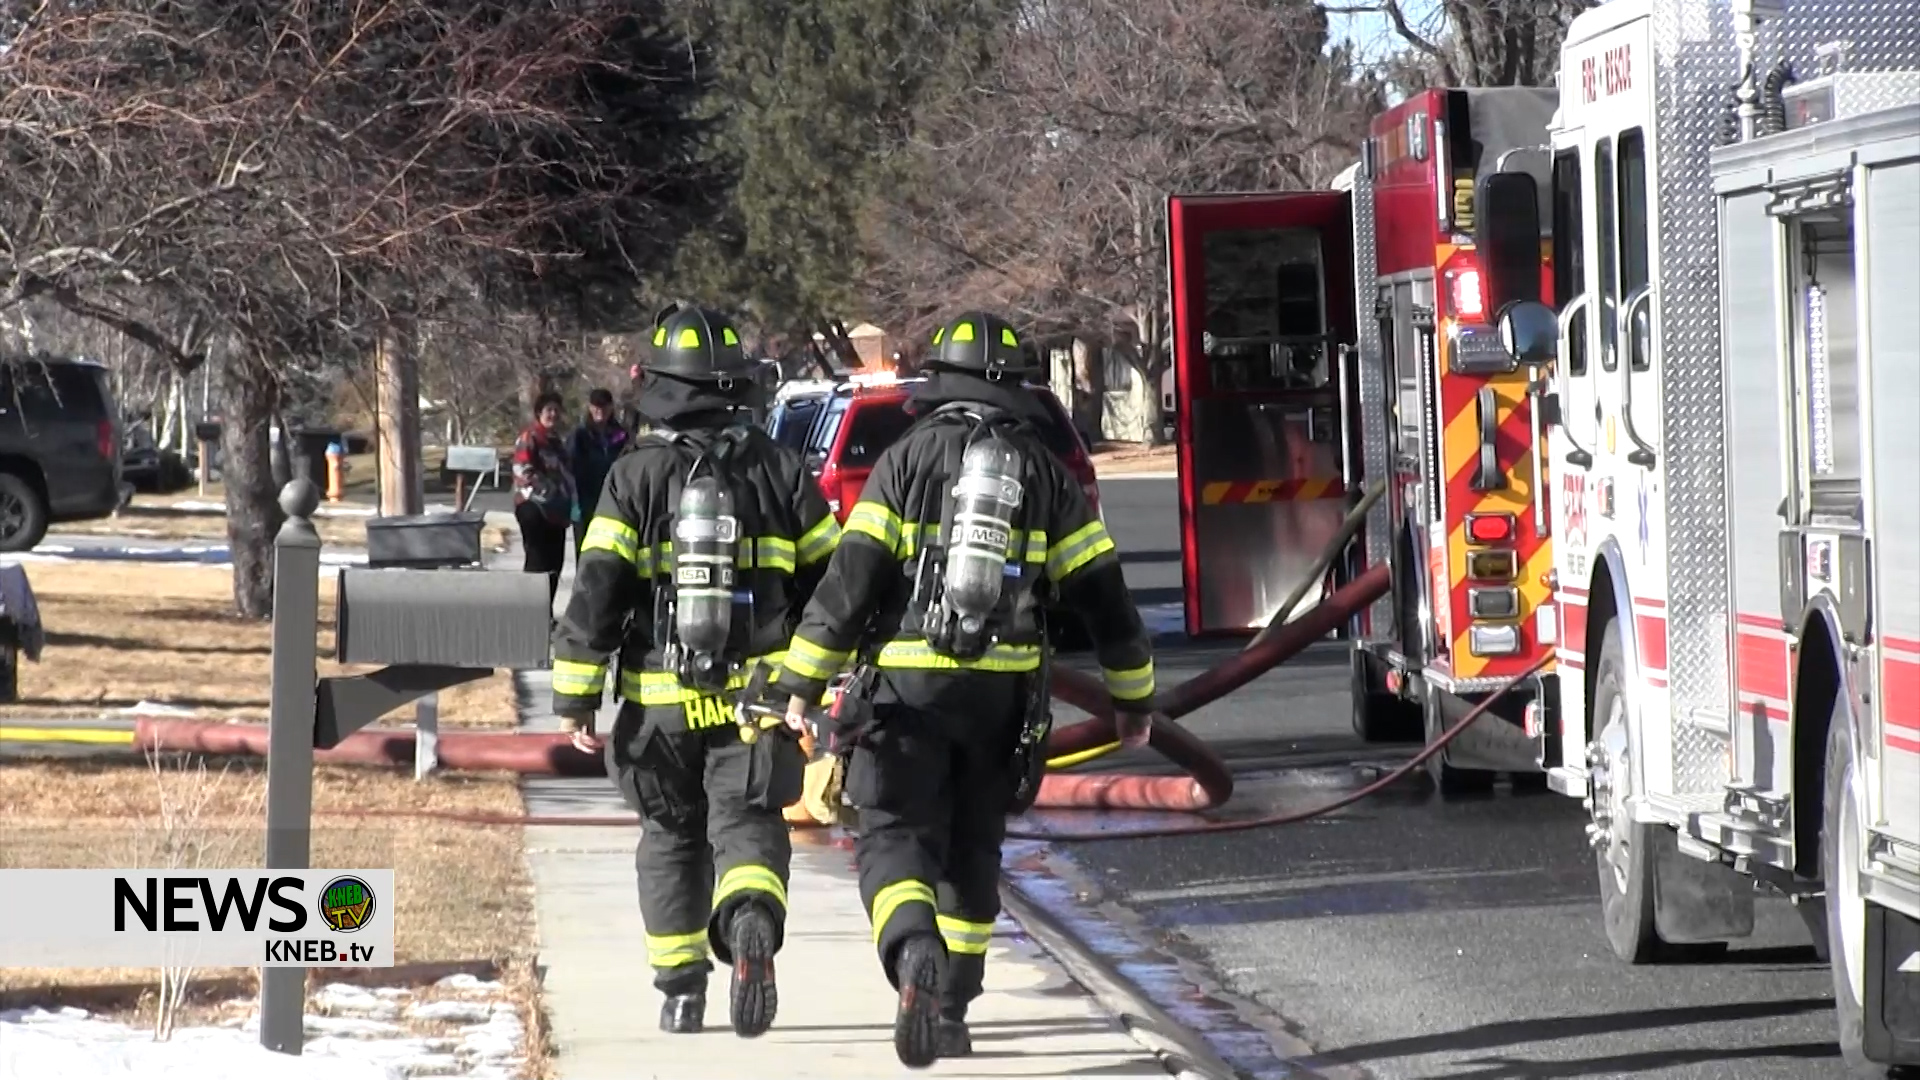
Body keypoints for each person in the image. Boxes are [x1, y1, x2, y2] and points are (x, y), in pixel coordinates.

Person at [766, 311, 1156, 1068]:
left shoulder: (905, 461)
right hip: (1002, 700)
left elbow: (850, 585)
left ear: (939, 384)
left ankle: (912, 949)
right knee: (974, 846)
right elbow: (1105, 595)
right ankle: (951, 1007)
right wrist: (1133, 700)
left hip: (905, 694)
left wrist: (801, 683)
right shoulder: (1043, 472)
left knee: (893, 833)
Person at [549, 303, 842, 1039]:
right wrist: (818, 680)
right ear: (736, 385)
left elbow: (597, 591)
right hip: (756, 703)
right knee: (748, 825)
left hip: (659, 712)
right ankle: (747, 921)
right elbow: (833, 585)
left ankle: (682, 991)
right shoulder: (778, 469)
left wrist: (576, 696)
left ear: (659, 387)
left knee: (670, 840)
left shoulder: (633, 475)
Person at [512, 392, 575, 605]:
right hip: (534, 508)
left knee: (554, 564)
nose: (553, 414)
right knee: (538, 562)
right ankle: (530, 611)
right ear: (539, 413)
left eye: (557, 410)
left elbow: (567, 474)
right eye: (549, 410)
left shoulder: (557, 442)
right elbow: (523, 471)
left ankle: (545, 612)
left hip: (556, 512)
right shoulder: (530, 437)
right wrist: (547, 488)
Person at [567, 387, 630, 552]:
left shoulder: (621, 435)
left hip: (613, 500)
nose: (600, 410)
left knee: (610, 549)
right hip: (584, 502)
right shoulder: (579, 435)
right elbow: (570, 468)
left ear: (611, 408)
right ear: (590, 407)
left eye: (604, 406)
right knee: (584, 549)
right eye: (596, 406)